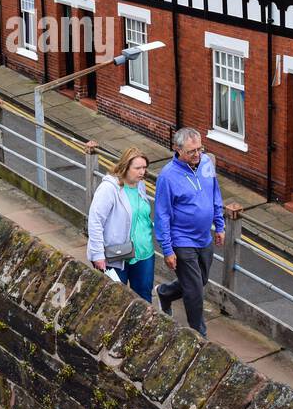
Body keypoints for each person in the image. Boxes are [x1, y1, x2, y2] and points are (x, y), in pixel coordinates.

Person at [153, 127, 224, 337]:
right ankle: (198, 334)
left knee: (200, 280)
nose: (197, 155)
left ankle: (165, 293)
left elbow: (215, 193)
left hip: (204, 237)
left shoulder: (206, 164)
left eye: (199, 149)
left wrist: (219, 225)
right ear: (177, 149)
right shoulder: (167, 176)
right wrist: (167, 249)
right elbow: (162, 215)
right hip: (182, 240)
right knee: (194, 290)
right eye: (191, 151)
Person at [86, 148, 156, 302]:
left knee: (144, 298)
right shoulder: (109, 188)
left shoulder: (140, 185)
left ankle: (142, 326)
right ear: (125, 167)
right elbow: (95, 221)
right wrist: (97, 254)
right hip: (117, 255)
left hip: (144, 253)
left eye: (144, 168)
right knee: (116, 300)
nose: (142, 172)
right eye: (138, 168)